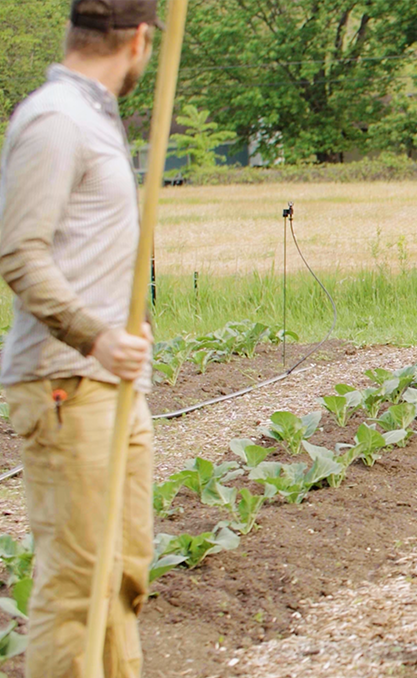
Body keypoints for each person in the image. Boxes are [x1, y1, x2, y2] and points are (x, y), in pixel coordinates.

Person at [0, 0, 161, 675]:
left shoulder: (93, 116)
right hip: (67, 381)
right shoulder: (57, 120)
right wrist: (95, 335)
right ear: (139, 40)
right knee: (78, 585)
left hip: (111, 382)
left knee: (122, 575)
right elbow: (19, 253)